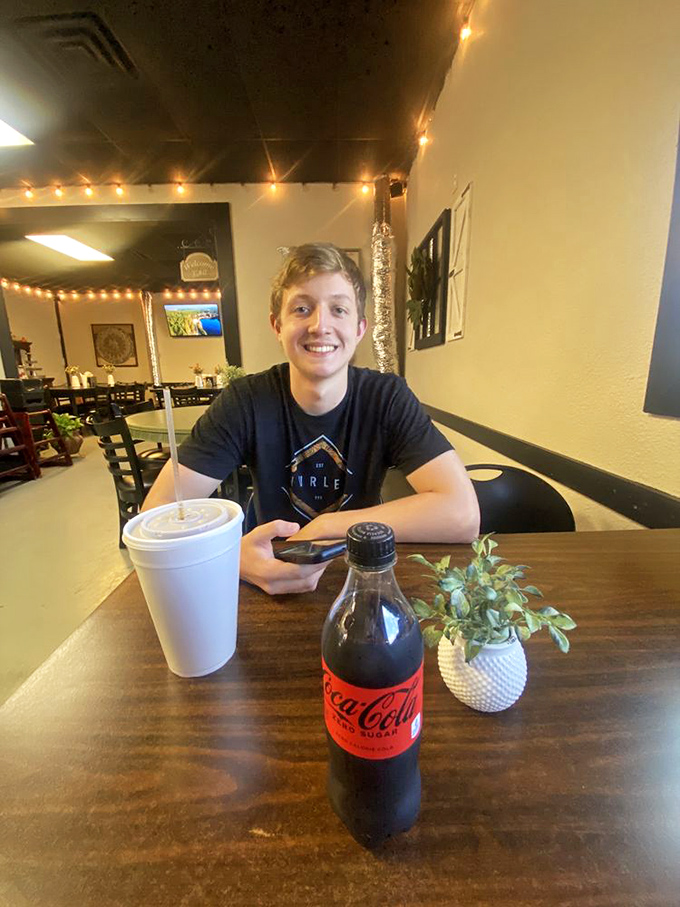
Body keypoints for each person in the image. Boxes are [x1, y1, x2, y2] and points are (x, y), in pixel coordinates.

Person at [143, 243, 480, 594]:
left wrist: (327, 526)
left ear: (360, 328)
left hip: (361, 578)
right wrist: (230, 556)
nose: (321, 325)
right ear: (277, 326)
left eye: (339, 309)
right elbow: (158, 513)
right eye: (302, 309)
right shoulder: (245, 401)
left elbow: (463, 515)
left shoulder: (387, 398)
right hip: (268, 574)